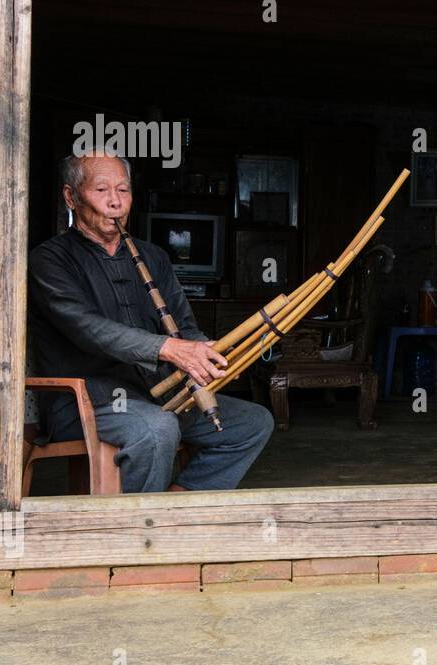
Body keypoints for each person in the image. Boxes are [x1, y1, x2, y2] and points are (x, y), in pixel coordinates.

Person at [28, 150, 273, 493]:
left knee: (252, 422)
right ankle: (138, 533)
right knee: (157, 429)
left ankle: (178, 501)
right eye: (101, 191)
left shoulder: (152, 256)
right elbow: (88, 329)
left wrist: (201, 351)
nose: (115, 203)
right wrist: (170, 349)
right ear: (71, 196)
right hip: (87, 402)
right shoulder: (50, 260)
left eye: (123, 190)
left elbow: (184, 327)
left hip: (154, 395)